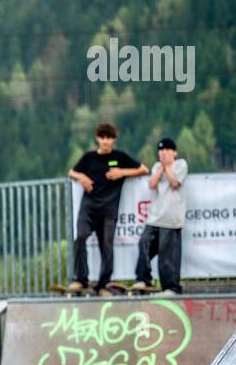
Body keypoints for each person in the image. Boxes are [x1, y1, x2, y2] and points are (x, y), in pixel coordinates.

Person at [67, 122, 148, 294]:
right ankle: (80, 279)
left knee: (107, 246)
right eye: (102, 138)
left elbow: (144, 169)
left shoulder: (119, 157)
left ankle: (103, 284)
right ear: (97, 139)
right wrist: (81, 177)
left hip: (108, 210)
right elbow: (71, 172)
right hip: (88, 208)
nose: (105, 141)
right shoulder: (88, 157)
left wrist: (123, 172)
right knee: (80, 237)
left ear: (114, 140)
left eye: (109, 138)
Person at [133, 137, 188, 295]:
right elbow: (152, 184)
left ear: (174, 152)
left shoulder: (181, 164)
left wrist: (167, 166)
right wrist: (161, 168)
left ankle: (171, 287)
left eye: (167, 150)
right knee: (144, 244)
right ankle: (143, 279)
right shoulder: (157, 166)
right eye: (161, 150)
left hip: (171, 219)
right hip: (155, 217)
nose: (163, 153)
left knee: (167, 255)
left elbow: (174, 183)